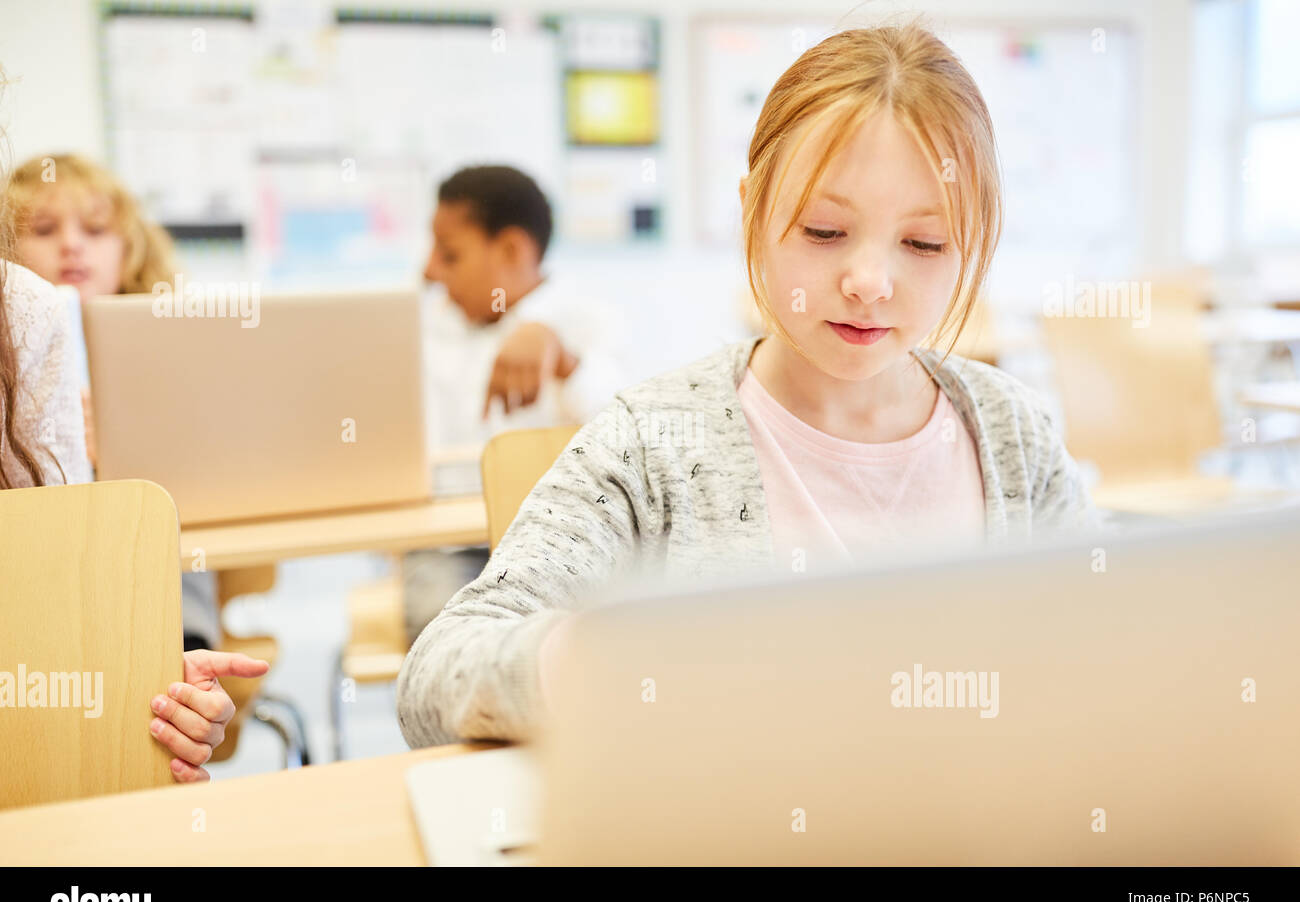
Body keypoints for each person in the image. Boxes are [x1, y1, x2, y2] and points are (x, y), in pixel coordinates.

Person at [396, 23, 1099, 747]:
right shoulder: (656, 440)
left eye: (924, 243)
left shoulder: (1014, 433)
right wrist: (600, 660)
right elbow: (433, 679)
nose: (869, 283)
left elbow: (1108, 639)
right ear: (752, 214)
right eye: (825, 231)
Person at [5, 153, 221, 652]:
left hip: (160, 586)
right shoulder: (15, 358)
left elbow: (209, 476)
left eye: (96, 229)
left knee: (165, 512)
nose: (72, 245)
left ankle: (181, 649)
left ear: (129, 249)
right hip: (41, 583)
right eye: (42, 229)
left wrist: (122, 454)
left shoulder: (168, 348)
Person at [404, 165, 624, 640]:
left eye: (449, 255)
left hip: (557, 543)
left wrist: (562, 357)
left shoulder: (584, 321)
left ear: (511, 251)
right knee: (443, 634)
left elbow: (628, 430)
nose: (428, 271)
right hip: (449, 550)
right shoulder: (425, 329)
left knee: (580, 635)